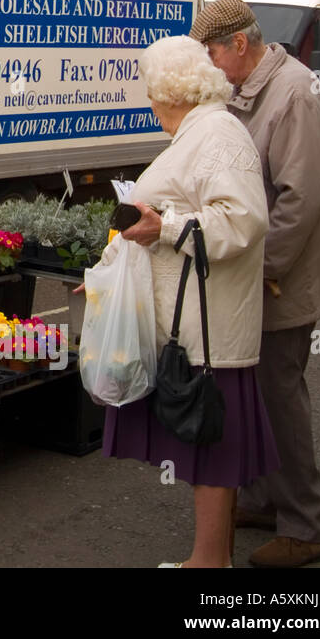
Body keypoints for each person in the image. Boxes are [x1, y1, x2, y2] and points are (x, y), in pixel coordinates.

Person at [190, 0, 320, 568]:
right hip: (264, 275)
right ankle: (264, 498)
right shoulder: (250, 89)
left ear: (240, 44)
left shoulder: (293, 94)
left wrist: (260, 272)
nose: (208, 65)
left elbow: (301, 200)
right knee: (257, 393)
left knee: (280, 398)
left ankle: (306, 526)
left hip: (285, 277)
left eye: (212, 52)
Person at [102, 34, 279, 567]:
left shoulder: (217, 133)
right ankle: (211, 561)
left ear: (170, 92)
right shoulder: (203, 131)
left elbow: (244, 220)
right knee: (206, 449)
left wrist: (167, 226)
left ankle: (208, 565)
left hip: (209, 326)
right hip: (199, 321)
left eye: (152, 93)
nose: (150, 104)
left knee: (211, 449)